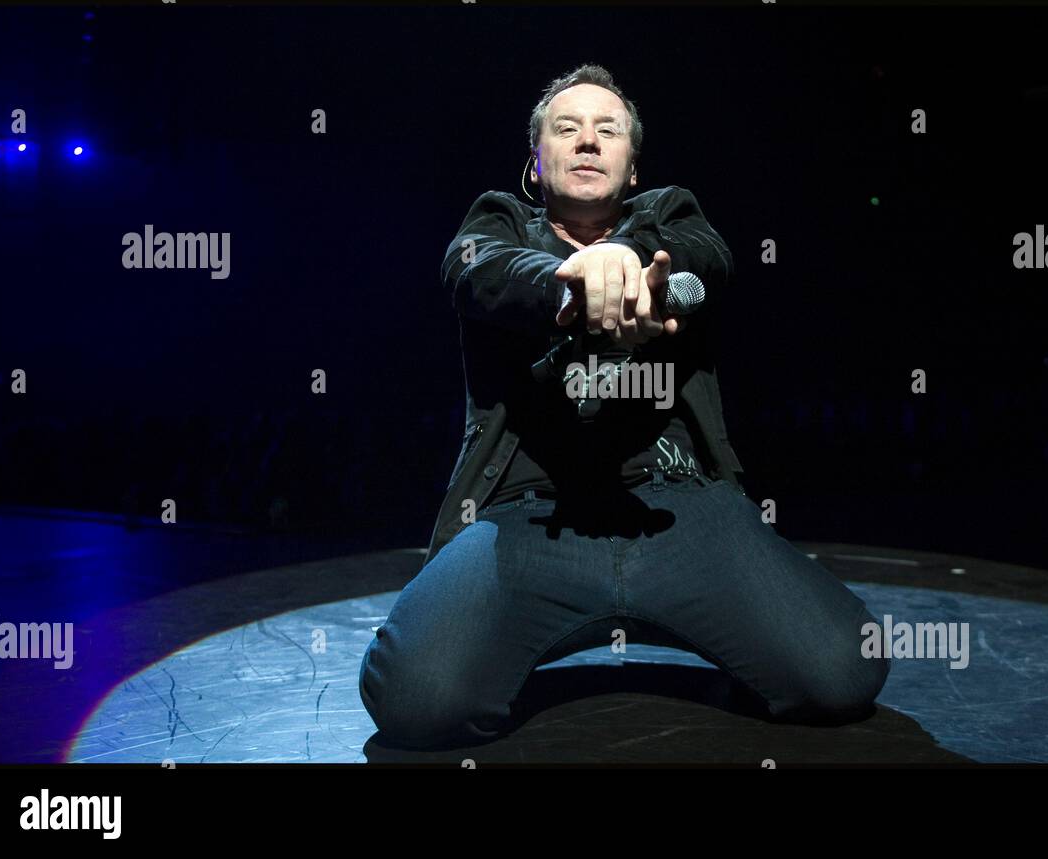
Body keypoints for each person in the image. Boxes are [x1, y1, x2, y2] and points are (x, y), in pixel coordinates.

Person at [359, 64, 889, 750]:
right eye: (567, 128)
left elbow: (708, 258)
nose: (588, 140)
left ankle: (695, 619)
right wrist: (567, 283)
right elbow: (476, 271)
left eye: (607, 130)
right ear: (535, 162)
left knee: (843, 670)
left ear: (632, 168)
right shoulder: (499, 221)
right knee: (415, 699)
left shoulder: (671, 215)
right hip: (527, 521)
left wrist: (625, 259)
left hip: (678, 509)